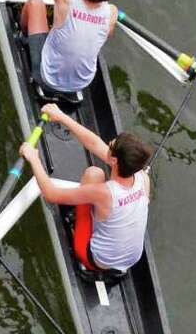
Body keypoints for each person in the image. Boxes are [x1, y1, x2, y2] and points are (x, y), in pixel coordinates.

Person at [18, 105, 155, 275]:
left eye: (111, 145)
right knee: (98, 175)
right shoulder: (142, 177)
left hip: (95, 259)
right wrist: (61, 116)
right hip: (131, 260)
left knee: (92, 174)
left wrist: (33, 158)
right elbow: (94, 143)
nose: (108, 143)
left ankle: (80, 229)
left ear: (114, 161)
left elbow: (51, 194)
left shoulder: (103, 193)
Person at [21, 0, 119, 96]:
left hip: (46, 78)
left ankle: (23, 36)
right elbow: (107, 33)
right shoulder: (111, 13)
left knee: (35, 3)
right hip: (80, 85)